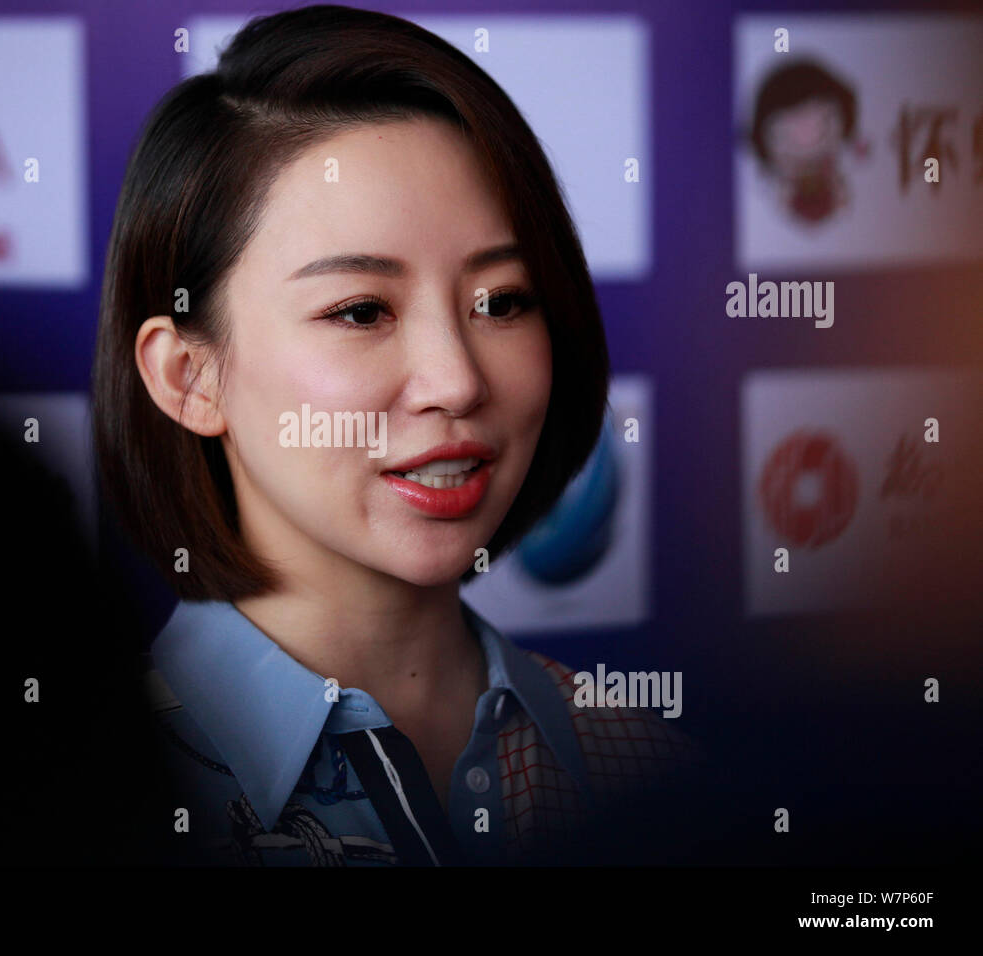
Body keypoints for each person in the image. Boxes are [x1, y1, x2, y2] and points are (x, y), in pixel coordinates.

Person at [92, 4, 699, 866]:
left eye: (503, 301)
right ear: (191, 376)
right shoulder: (71, 798)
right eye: (361, 311)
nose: (457, 380)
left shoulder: (643, 768)